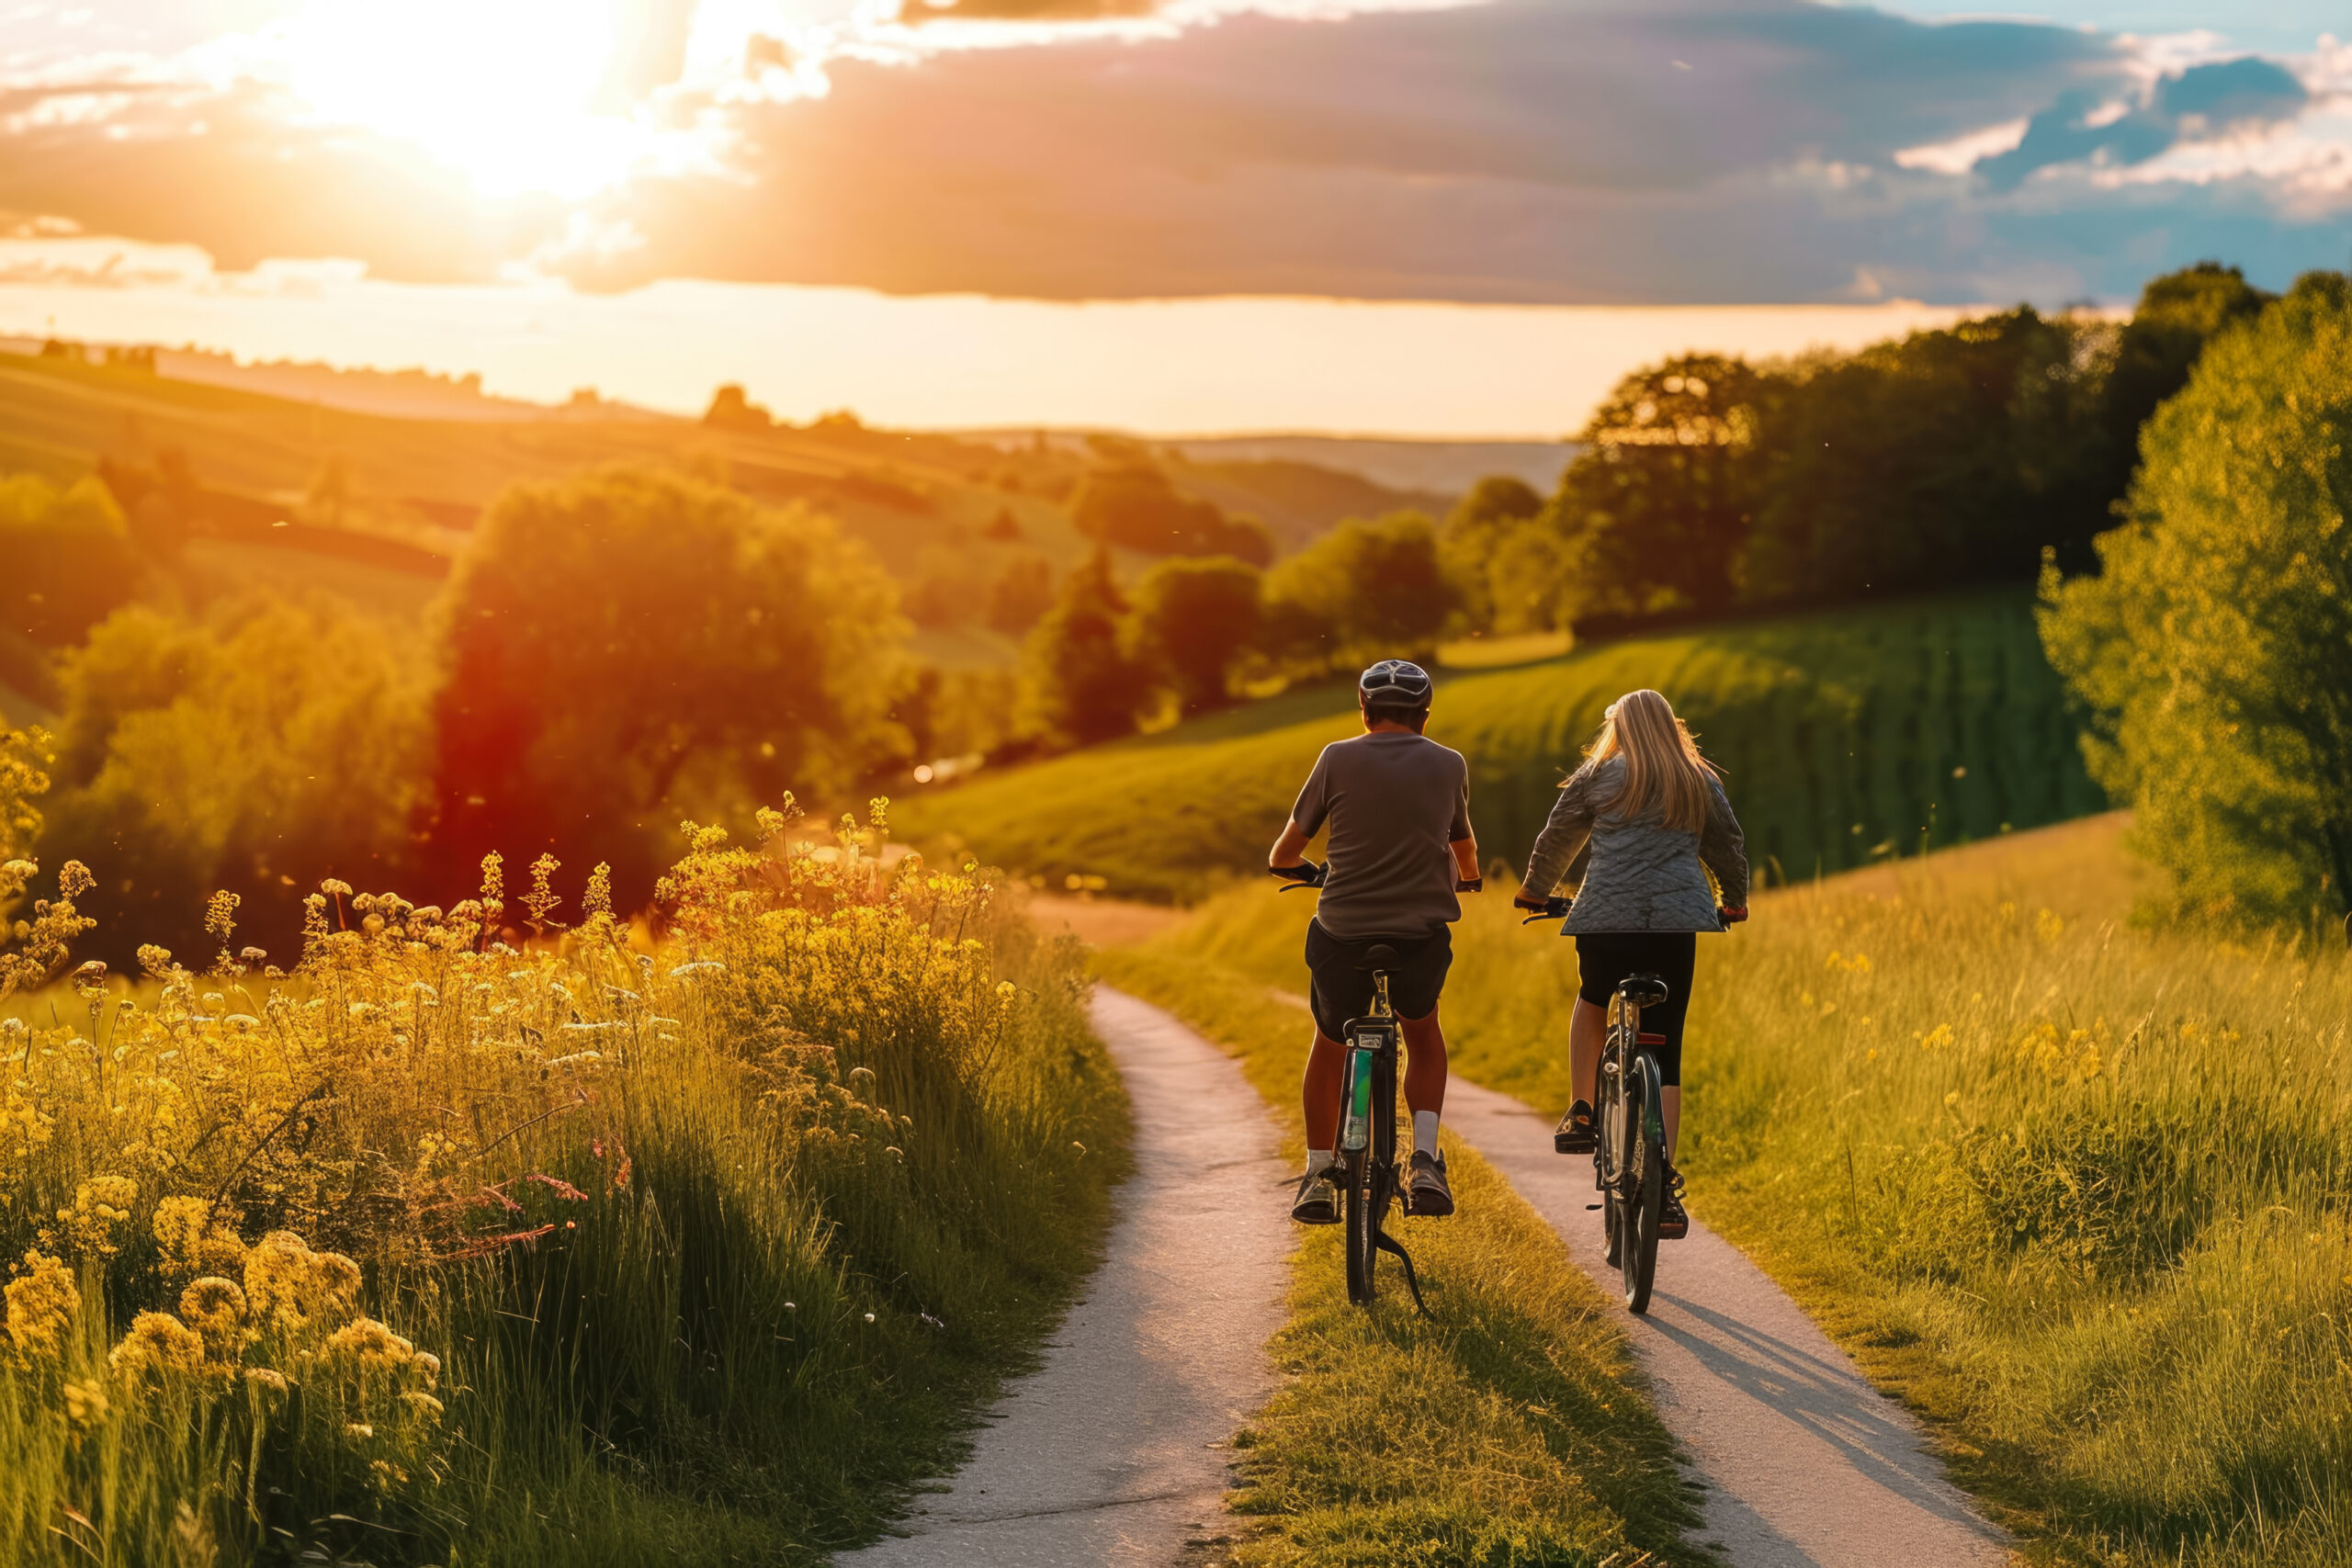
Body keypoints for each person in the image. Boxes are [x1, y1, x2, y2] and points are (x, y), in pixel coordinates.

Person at [1512, 688, 1747, 1239]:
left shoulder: (1598, 776)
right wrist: (1732, 900)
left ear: (1619, 728)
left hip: (1606, 917)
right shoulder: (1698, 779)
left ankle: (1582, 1110)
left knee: (1594, 998)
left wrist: (1533, 891)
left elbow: (1558, 837)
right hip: (1676, 920)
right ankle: (1662, 1181)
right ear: (1671, 726)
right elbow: (1727, 845)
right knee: (1669, 1039)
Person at [1269, 660, 1481, 1224]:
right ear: (1425, 716)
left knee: (1330, 1041)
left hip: (1343, 931)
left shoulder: (1338, 757)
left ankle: (1318, 1172)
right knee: (1423, 1031)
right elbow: (1465, 850)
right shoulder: (1449, 763)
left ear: (1363, 711)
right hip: (1418, 937)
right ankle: (1425, 1159)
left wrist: (1308, 870)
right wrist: (1469, 877)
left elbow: (1281, 855)